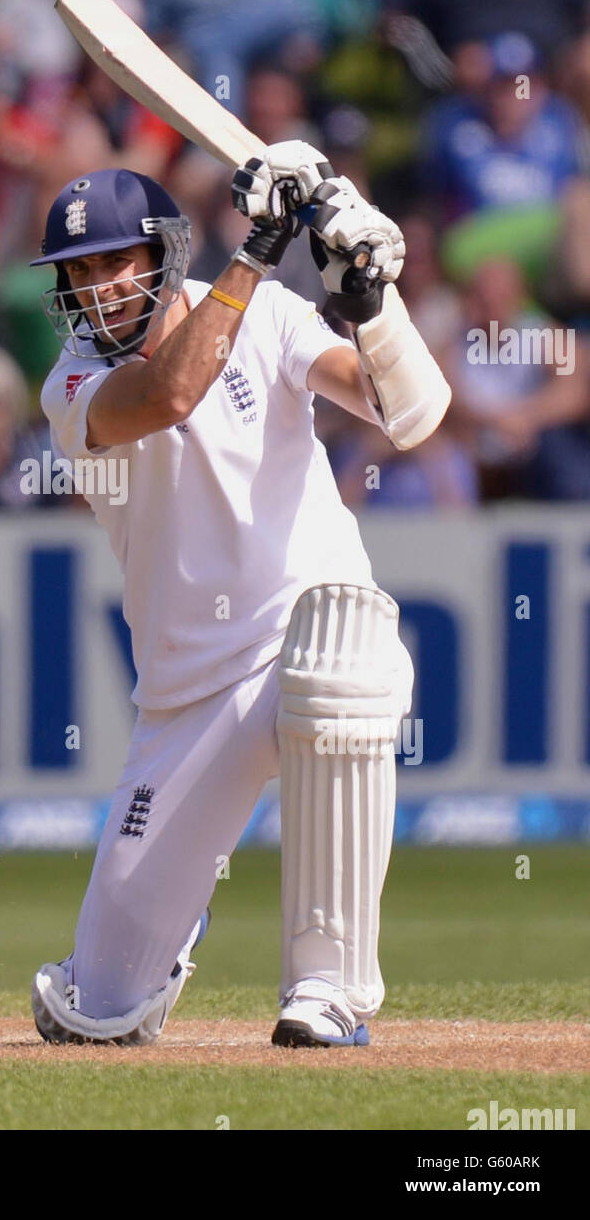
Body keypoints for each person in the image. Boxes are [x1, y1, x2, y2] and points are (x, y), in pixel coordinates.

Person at [29, 156, 450, 1047]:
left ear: (165, 256)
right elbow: (172, 392)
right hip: (187, 698)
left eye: (114, 265)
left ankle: (329, 991)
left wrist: (374, 303)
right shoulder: (70, 388)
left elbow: (410, 413)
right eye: (78, 274)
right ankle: (147, 948)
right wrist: (262, 246)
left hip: (306, 635)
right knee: (99, 1016)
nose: (96, 292)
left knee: (346, 662)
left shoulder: (272, 316)